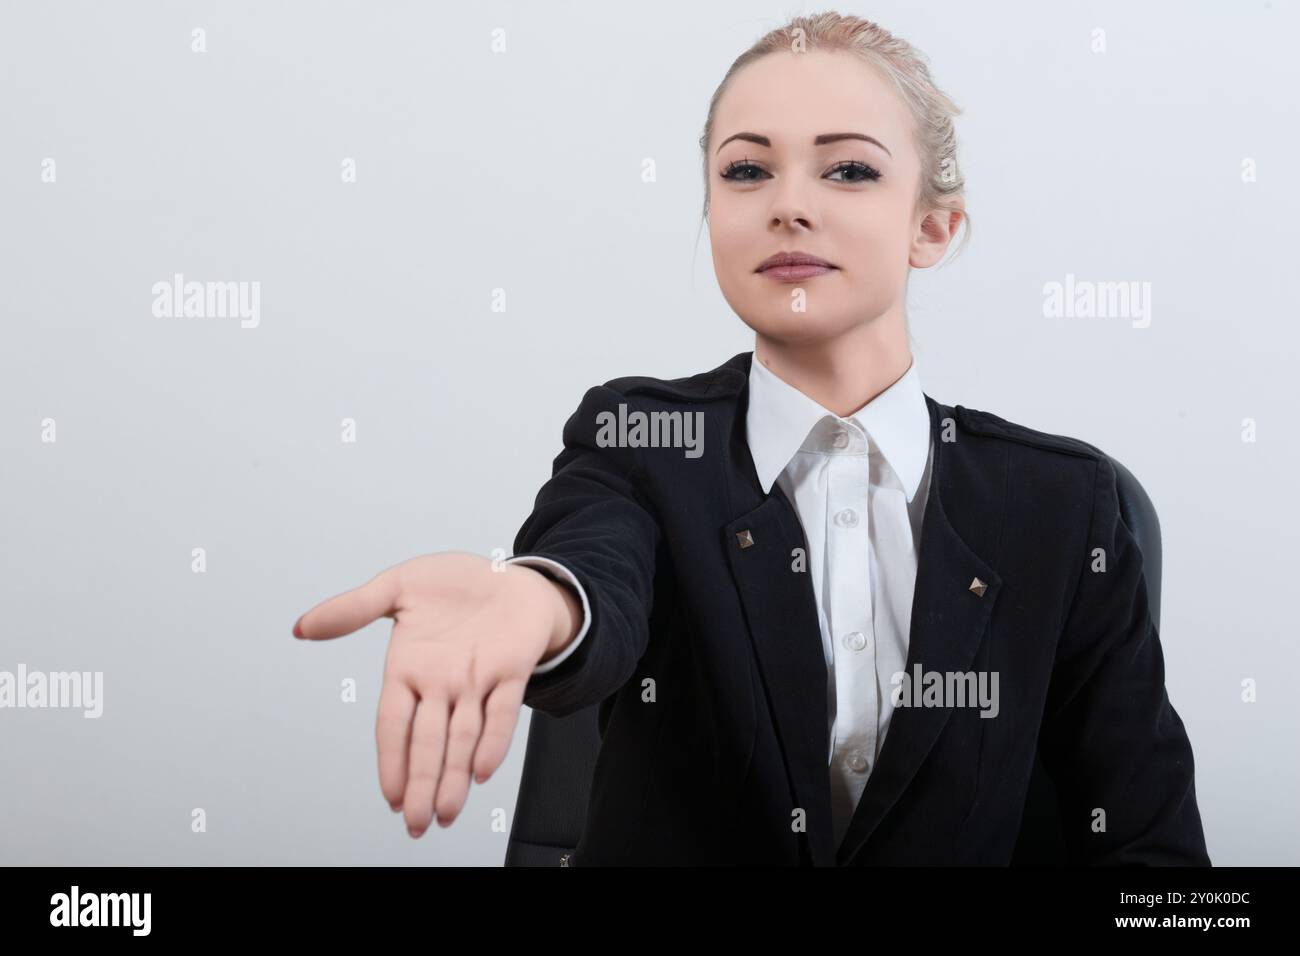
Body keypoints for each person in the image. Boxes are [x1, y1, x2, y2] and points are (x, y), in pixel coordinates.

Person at [291, 11, 1210, 866]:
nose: (788, 205)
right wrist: (542, 604)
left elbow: (1150, 849)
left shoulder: (1060, 500)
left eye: (847, 170)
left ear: (932, 227)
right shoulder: (641, 440)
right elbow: (595, 574)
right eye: (746, 170)